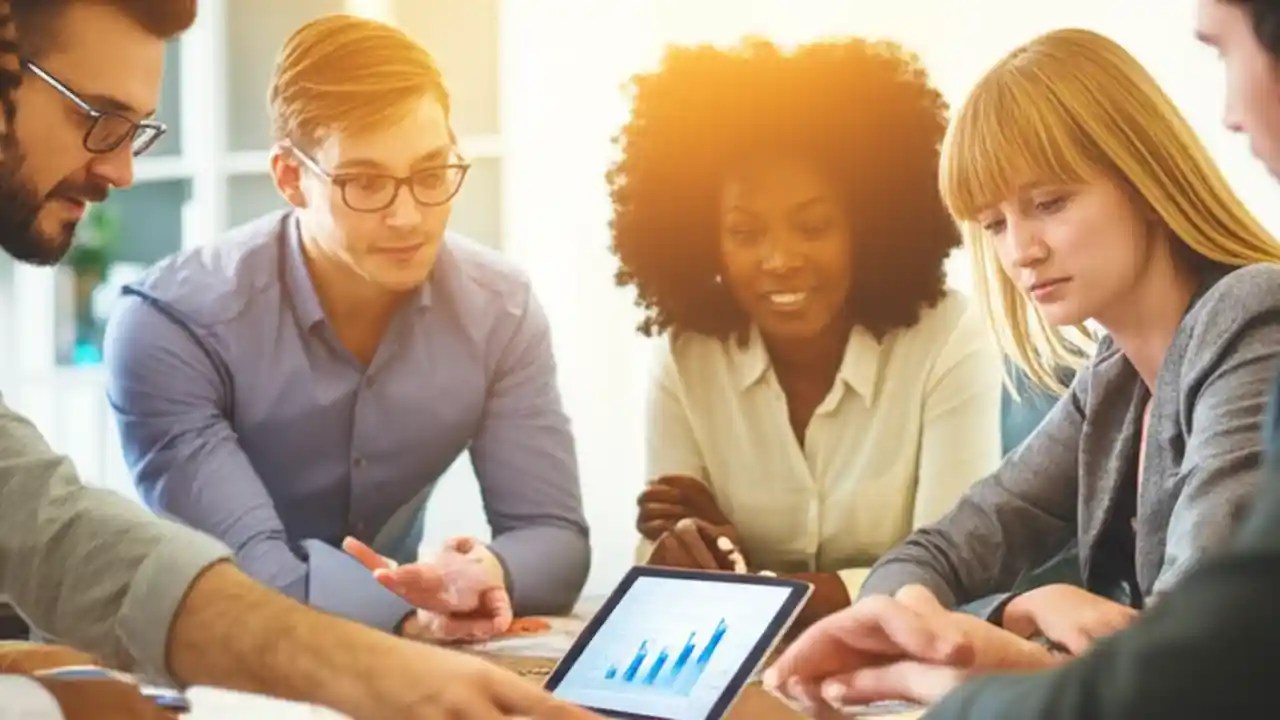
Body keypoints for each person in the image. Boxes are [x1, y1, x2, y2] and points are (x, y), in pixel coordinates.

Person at [0, 1, 597, 718]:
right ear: (290, 179)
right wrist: (403, 626)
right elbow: (246, 579)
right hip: (221, 681)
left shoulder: (498, 304)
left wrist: (482, 573)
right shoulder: (171, 322)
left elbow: (46, 526)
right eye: (366, 183)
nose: (408, 215)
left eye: (432, 172)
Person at [765, 5, 1280, 717]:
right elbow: (928, 556)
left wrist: (1011, 645)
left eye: (1049, 203)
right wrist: (993, 612)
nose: (1019, 251)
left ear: (1145, 179)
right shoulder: (1115, 381)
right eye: (994, 223)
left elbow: (1192, 654)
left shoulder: (1252, 314)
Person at [609, 38, 1004, 630]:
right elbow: (668, 579)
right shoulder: (688, 356)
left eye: (813, 226)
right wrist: (690, 551)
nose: (779, 260)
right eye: (745, 233)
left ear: (867, 223)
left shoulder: (949, 338)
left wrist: (753, 584)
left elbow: (953, 572)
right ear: (704, 239)